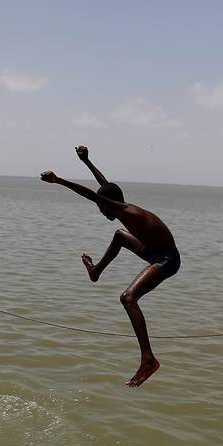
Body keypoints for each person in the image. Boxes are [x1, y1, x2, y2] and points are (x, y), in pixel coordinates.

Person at [39, 146, 180, 386]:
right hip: (155, 251)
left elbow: (95, 195)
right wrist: (87, 161)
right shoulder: (122, 206)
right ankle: (96, 271)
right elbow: (104, 187)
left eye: (102, 208)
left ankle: (148, 358)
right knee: (119, 235)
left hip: (166, 260)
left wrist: (59, 180)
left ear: (109, 204)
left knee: (128, 298)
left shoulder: (127, 211)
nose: (101, 212)